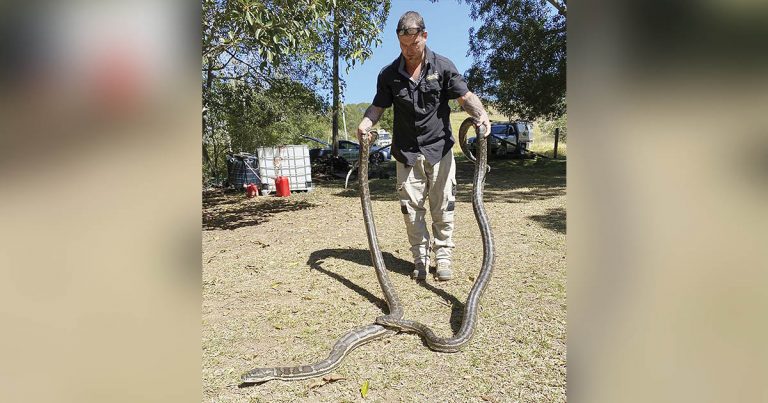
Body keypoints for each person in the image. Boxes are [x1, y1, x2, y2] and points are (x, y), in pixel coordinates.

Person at [357, 11, 490, 281]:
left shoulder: (442, 66)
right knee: (411, 210)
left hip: (439, 150)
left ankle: (443, 257)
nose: (408, 51)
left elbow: (464, 97)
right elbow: (378, 106)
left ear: (424, 36)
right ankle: (420, 259)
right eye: (403, 45)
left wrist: (481, 115)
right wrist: (365, 124)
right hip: (406, 153)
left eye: (413, 44)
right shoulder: (389, 75)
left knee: (443, 206)